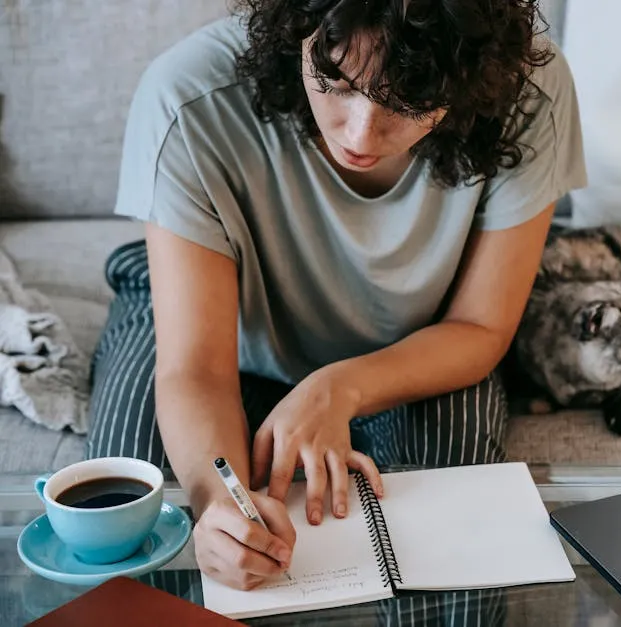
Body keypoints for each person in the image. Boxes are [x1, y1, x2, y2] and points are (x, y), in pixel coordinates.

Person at [87, 0, 586, 595]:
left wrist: (338, 389)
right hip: (220, 318)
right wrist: (222, 509)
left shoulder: (530, 91)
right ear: (296, 30)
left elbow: (480, 326)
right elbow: (194, 367)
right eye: (336, 81)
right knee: (123, 503)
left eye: (409, 100)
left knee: (455, 513)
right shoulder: (186, 97)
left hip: (416, 339)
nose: (360, 132)